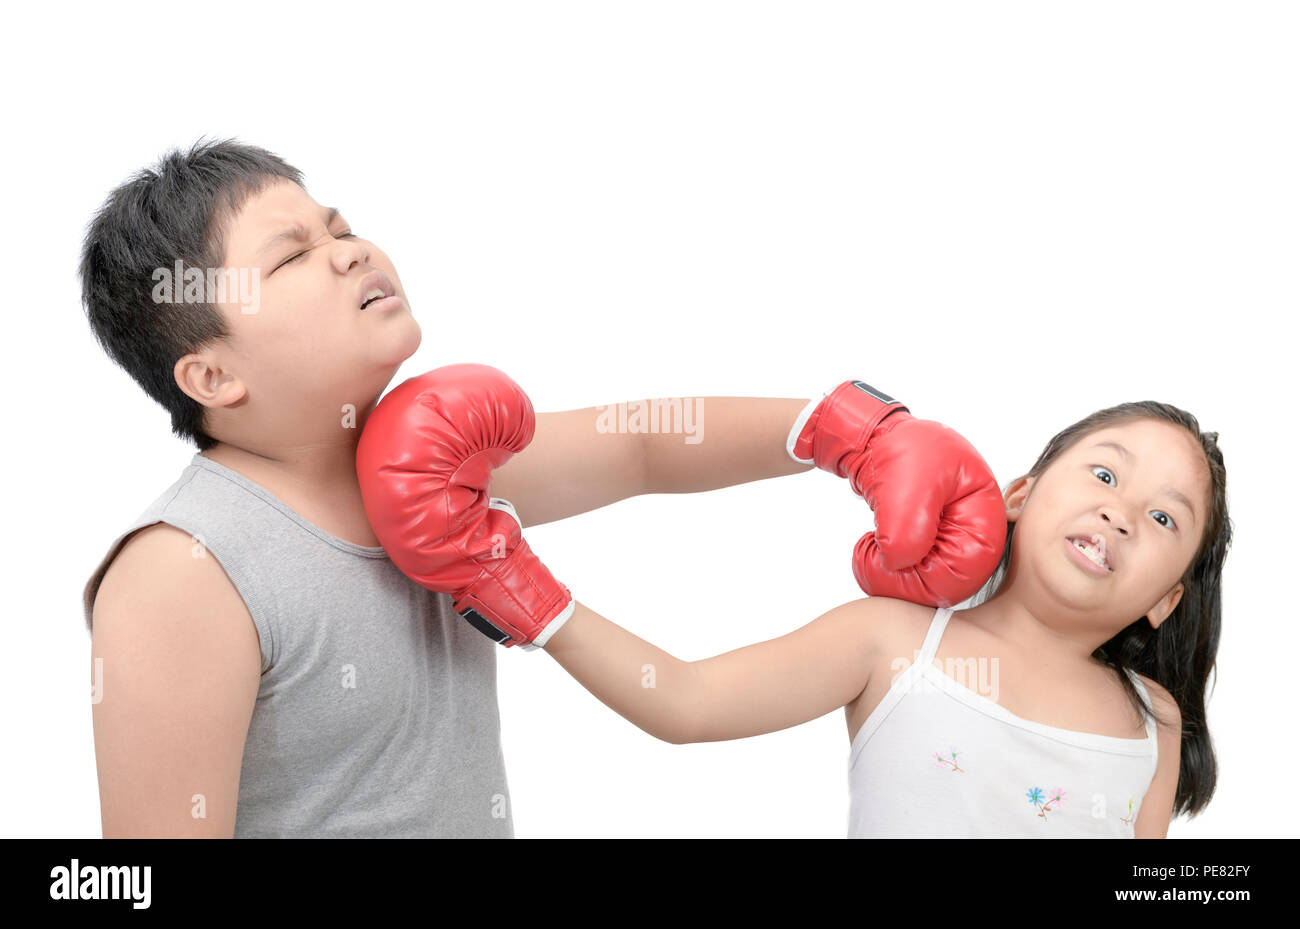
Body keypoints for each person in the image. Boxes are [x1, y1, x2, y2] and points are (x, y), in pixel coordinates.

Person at [80, 138, 1001, 837]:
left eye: (342, 228)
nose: (350, 252)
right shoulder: (185, 569)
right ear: (209, 378)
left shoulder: (431, 473)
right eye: (290, 256)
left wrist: (847, 428)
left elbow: (644, 447)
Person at [361, 366, 1231, 838]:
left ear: (1165, 599)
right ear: (1015, 493)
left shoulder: (1152, 718)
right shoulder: (893, 640)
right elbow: (689, 702)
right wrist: (531, 600)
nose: (1121, 507)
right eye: (1106, 472)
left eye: (1162, 516)